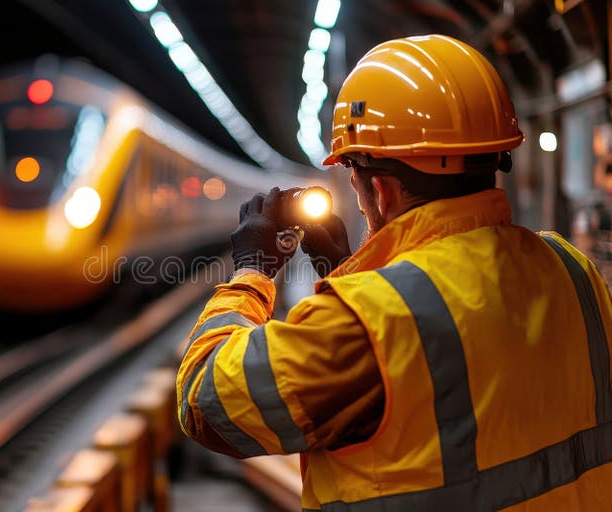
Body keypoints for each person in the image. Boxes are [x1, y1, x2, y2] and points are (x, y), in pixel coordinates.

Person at [176, 34, 612, 511]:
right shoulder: (574, 270)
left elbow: (206, 401)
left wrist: (252, 272)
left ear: (381, 192)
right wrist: (345, 273)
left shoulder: (369, 322)